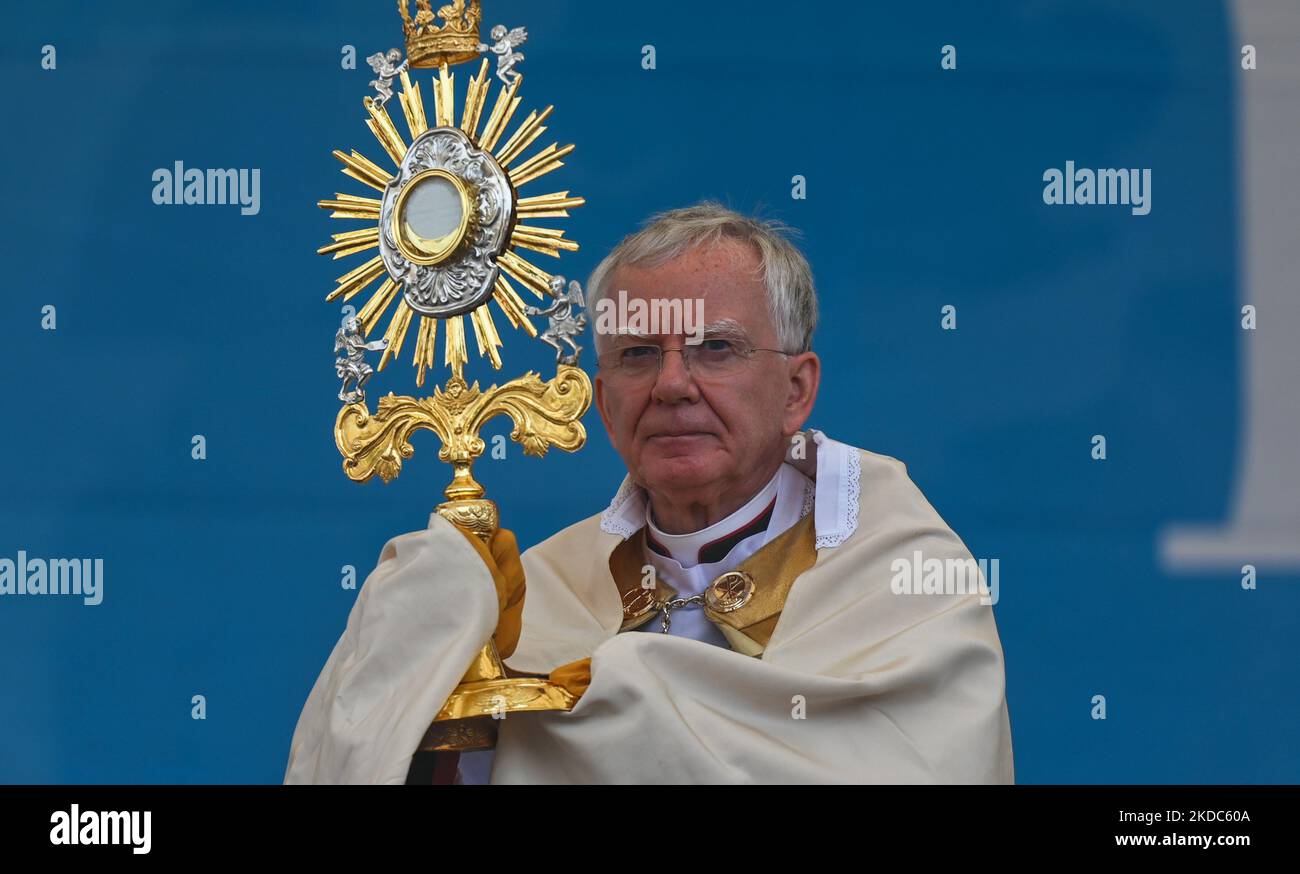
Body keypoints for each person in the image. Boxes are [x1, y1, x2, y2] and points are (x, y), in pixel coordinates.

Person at [284, 201, 1014, 784]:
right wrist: (416, 694)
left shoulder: (903, 577)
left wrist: (628, 692)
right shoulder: (540, 593)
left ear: (797, 389)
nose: (671, 386)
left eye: (715, 349)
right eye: (638, 355)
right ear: (603, 403)